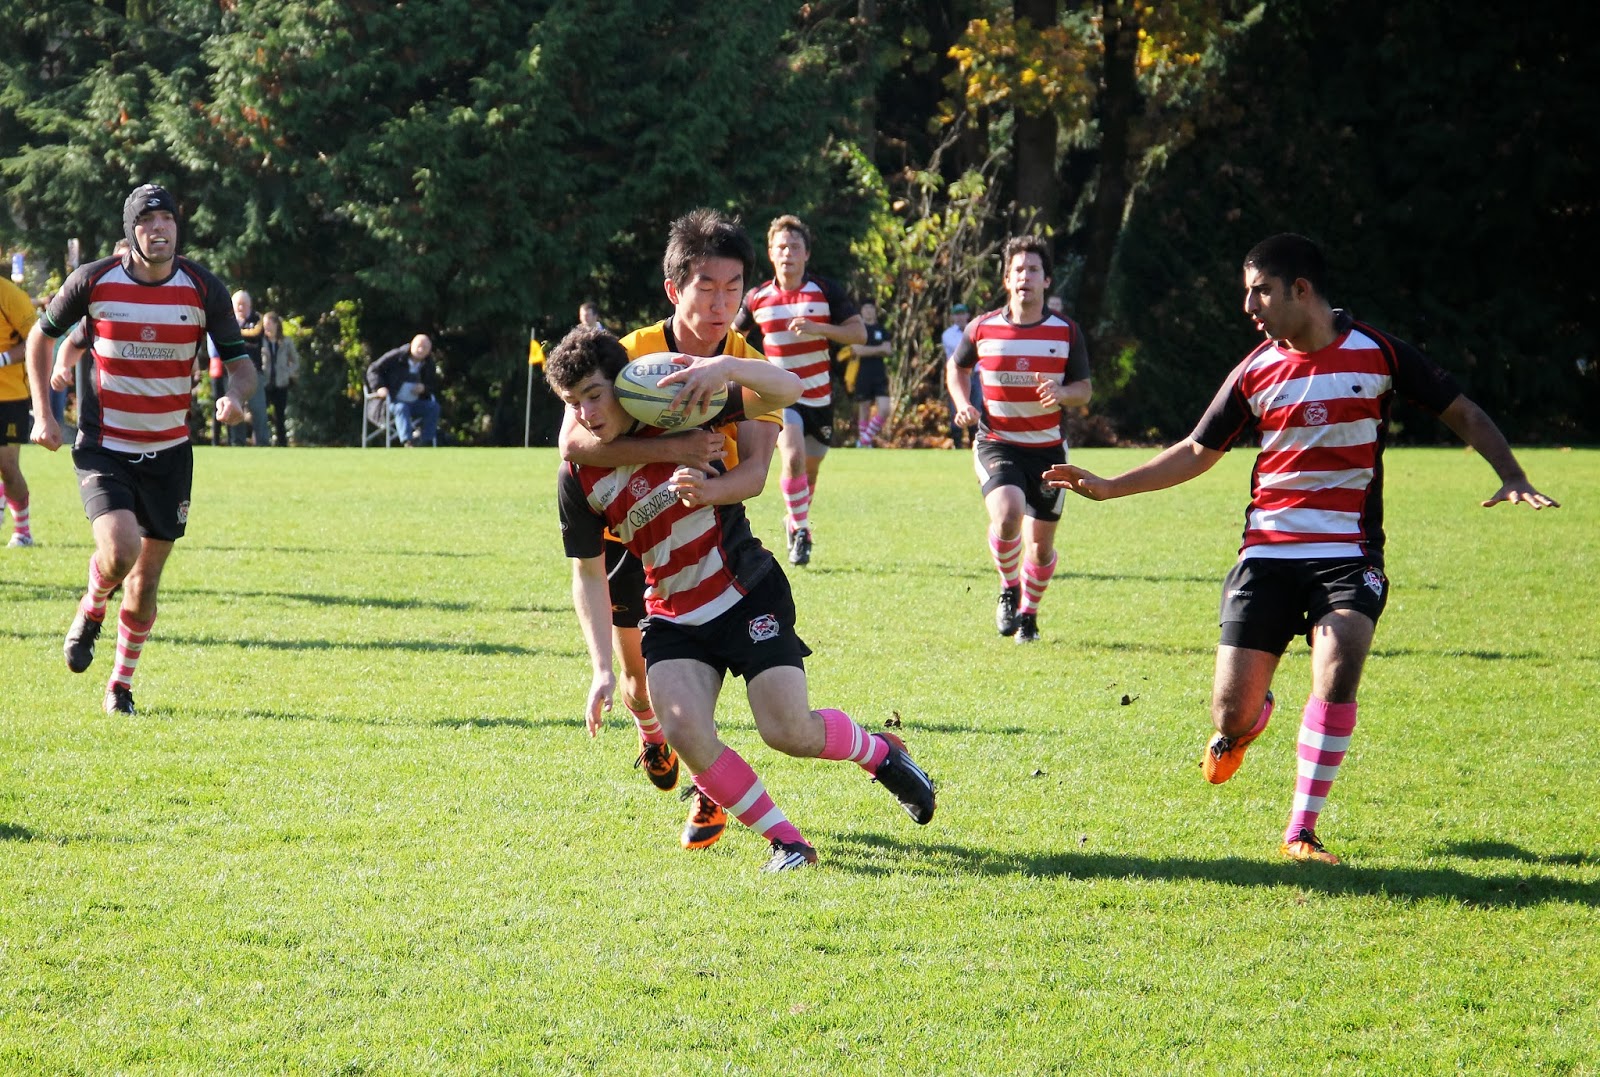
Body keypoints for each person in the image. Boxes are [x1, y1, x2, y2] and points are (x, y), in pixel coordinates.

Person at [1045, 233, 1559, 864]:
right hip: (1266, 554)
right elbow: (1196, 450)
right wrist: (1108, 486)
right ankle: (1248, 720)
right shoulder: (1254, 371)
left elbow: (1463, 412)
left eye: (1260, 292)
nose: (1249, 307)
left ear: (1301, 289)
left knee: (1338, 668)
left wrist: (1511, 474)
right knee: (1229, 715)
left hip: (1348, 553)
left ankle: (1301, 830)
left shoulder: (1379, 353)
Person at [551, 325, 936, 872]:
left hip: (744, 590)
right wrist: (600, 669)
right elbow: (589, 575)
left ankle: (880, 753)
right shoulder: (577, 476)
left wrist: (725, 369)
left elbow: (788, 389)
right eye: (572, 403)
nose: (586, 414)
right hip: (674, 614)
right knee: (684, 729)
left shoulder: (678, 406)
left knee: (787, 731)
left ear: (623, 382)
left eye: (594, 395)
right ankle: (788, 843)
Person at [558, 208, 782, 851]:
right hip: (626, 535)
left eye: (733, 288)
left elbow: (757, 473)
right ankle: (651, 733)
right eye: (706, 287)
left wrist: (707, 485)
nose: (720, 304)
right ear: (674, 288)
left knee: (694, 682)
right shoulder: (632, 355)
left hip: (702, 533)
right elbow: (574, 444)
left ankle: (711, 788)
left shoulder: (747, 365)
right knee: (636, 688)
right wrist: (674, 448)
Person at [26, 182, 255, 716]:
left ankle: (119, 686)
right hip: (106, 446)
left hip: (170, 453)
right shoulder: (94, 280)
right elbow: (42, 337)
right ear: (131, 231)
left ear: (178, 226)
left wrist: (236, 398)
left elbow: (241, 366)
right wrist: (43, 414)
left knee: (146, 581)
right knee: (120, 549)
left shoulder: (203, 287)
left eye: (167, 220)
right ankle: (92, 605)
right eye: (147, 222)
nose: (159, 230)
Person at [947, 235, 1092, 644]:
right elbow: (956, 368)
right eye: (1017, 270)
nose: (1024, 276)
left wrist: (1062, 393)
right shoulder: (983, 327)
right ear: (1006, 279)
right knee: (1008, 514)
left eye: (1033, 270)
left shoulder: (1066, 332)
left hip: (1048, 449)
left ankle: (1029, 614)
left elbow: (1084, 390)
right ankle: (1009, 588)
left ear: (1047, 280)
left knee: (1041, 548)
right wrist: (963, 403)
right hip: (998, 441)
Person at [734, 215, 865, 566]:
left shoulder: (825, 291)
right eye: (781, 247)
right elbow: (731, 340)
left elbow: (858, 333)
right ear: (770, 253)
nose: (787, 253)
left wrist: (818, 328)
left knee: (810, 469)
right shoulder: (757, 297)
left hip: (819, 396)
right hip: (781, 395)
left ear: (806, 253)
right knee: (791, 457)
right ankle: (803, 531)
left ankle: (795, 519)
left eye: (794, 247)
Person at [0, 277, 38, 547]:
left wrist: (2, 359)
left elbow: (37, 339)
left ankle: (23, 531)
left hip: (10, 395)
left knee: (7, 467)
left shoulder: (9, 295)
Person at [366, 334, 439, 446]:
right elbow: (373, 369)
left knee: (433, 407)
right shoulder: (396, 356)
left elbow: (433, 385)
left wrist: (424, 388)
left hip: (414, 403)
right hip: (389, 402)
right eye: (419, 346)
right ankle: (408, 442)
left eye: (424, 348)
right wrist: (379, 387)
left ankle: (425, 441)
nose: (420, 350)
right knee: (401, 408)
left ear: (429, 351)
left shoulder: (429, 364)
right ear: (412, 345)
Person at [226, 290, 268, 446]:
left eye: (243, 304)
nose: (240, 307)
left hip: (254, 371)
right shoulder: (228, 319)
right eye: (237, 304)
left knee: (258, 409)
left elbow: (256, 334)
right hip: (233, 373)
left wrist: (235, 333)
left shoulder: (257, 319)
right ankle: (237, 443)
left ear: (250, 305)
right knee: (234, 408)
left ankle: (263, 442)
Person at [852, 300, 893, 447]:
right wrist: (878, 349)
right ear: (861, 311)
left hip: (879, 372)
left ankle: (864, 440)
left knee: (885, 409)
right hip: (862, 372)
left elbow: (888, 350)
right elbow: (857, 350)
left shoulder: (881, 330)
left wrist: (868, 350)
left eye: (871, 308)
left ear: (875, 311)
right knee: (864, 408)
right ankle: (864, 444)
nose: (869, 311)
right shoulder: (858, 330)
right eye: (866, 308)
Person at [260, 312, 300, 446]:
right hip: (265, 383)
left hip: (281, 383)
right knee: (261, 414)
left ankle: (282, 443)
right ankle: (262, 441)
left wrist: (287, 373)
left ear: (276, 325)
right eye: (264, 325)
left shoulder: (286, 342)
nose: (266, 327)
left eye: (269, 324)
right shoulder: (261, 342)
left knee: (280, 416)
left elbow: (296, 361)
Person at [941, 302, 972, 448]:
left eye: (962, 314)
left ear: (967, 315)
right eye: (957, 314)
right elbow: (963, 349)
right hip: (957, 375)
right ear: (952, 317)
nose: (960, 317)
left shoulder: (974, 330)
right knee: (956, 408)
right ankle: (957, 444)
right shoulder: (948, 334)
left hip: (976, 375)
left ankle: (974, 442)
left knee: (976, 406)